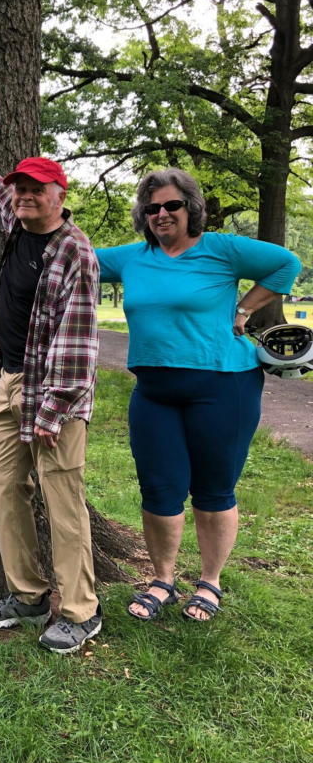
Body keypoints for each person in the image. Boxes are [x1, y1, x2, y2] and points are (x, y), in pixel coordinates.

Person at [96, 169, 301, 622]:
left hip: (224, 387)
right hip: (153, 392)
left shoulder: (222, 249)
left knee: (213, 489)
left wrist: (245, 308)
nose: (162, 214)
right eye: (152, 208)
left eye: (171, 205)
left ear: (191, 207)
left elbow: (287, 263)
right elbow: (72, 257)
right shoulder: (132, 258)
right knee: (159, 490)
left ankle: (210, 582)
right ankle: (162, 579)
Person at [0, 136, 102, 655]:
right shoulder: (19, 226)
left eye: (37, 189)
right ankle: (29, 595)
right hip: (11, 381)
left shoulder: (74, 251)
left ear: (60, 195)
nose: (24, 195)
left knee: (63, 501)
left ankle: (82, 611)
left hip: (54, 393)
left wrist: (53, 409)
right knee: (3, 485)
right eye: (21, 188)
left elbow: (79, 340)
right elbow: (4, 197)